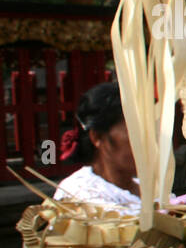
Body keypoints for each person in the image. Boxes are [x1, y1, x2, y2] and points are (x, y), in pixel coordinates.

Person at [55, 81, 147, 213]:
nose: (148, 143)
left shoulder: (149, 187)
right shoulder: (79, 194)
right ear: (97, 137)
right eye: (135, 133)